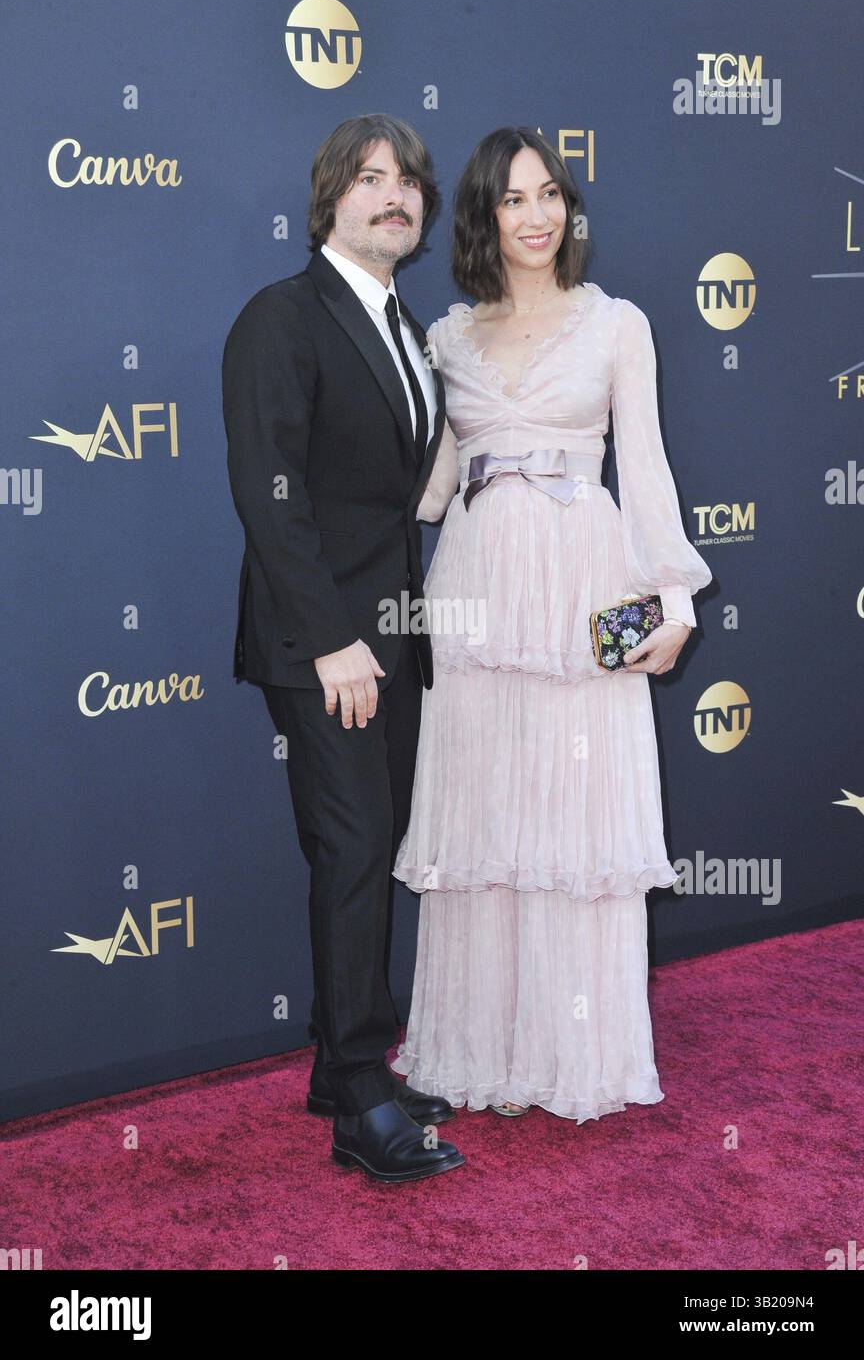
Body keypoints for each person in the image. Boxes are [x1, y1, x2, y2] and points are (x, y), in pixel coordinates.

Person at [392, 127, 714, 1120]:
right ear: (485, 217)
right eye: (513, 199)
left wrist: (675, 595)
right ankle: (476, 1051)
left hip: (590, 579)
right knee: (485, 819)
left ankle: (578, 1057)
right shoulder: (446, 338)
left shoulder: (618, 324)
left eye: (550, 195)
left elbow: (647, 469)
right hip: (474, 595)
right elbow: (429, 490)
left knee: (580, 821)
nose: (536, 216)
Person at [222, 115, 465, 1182]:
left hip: (395, 641)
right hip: (324, 648)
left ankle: (342, 1061)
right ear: (330, 199)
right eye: (371, 180)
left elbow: (400, 495)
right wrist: (332, 642)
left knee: (367, 851)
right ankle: (363, 1099)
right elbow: (268, 496)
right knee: (358, 850)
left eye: (408, 182)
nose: (394, 197)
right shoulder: (284, 316)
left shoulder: (405, 325)